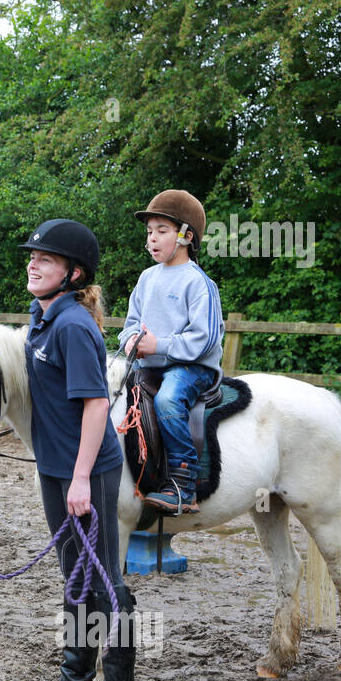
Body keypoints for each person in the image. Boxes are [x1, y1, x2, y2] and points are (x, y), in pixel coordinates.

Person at [14, 219, 138, 681]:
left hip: (86, 471)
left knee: (108, 585)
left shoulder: (72, 325)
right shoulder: (40, 319)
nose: (33, 263)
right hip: (54, 468)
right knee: (76, 580)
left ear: (74, 272)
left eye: (45, 258)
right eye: (32, 256)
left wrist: (82, 477)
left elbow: (94, 405)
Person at [116, 190, 224, 514]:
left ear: (186, 236)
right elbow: (130, 324)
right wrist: (131, 341)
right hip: (152, 364)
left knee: (167, 399)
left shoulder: (198, 283)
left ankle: (182, 483)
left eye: (162, 230)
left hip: (193, 367)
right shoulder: (146, 279)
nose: (152, 239)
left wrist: (159, 345)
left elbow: (203, 339)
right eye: (149, 232)